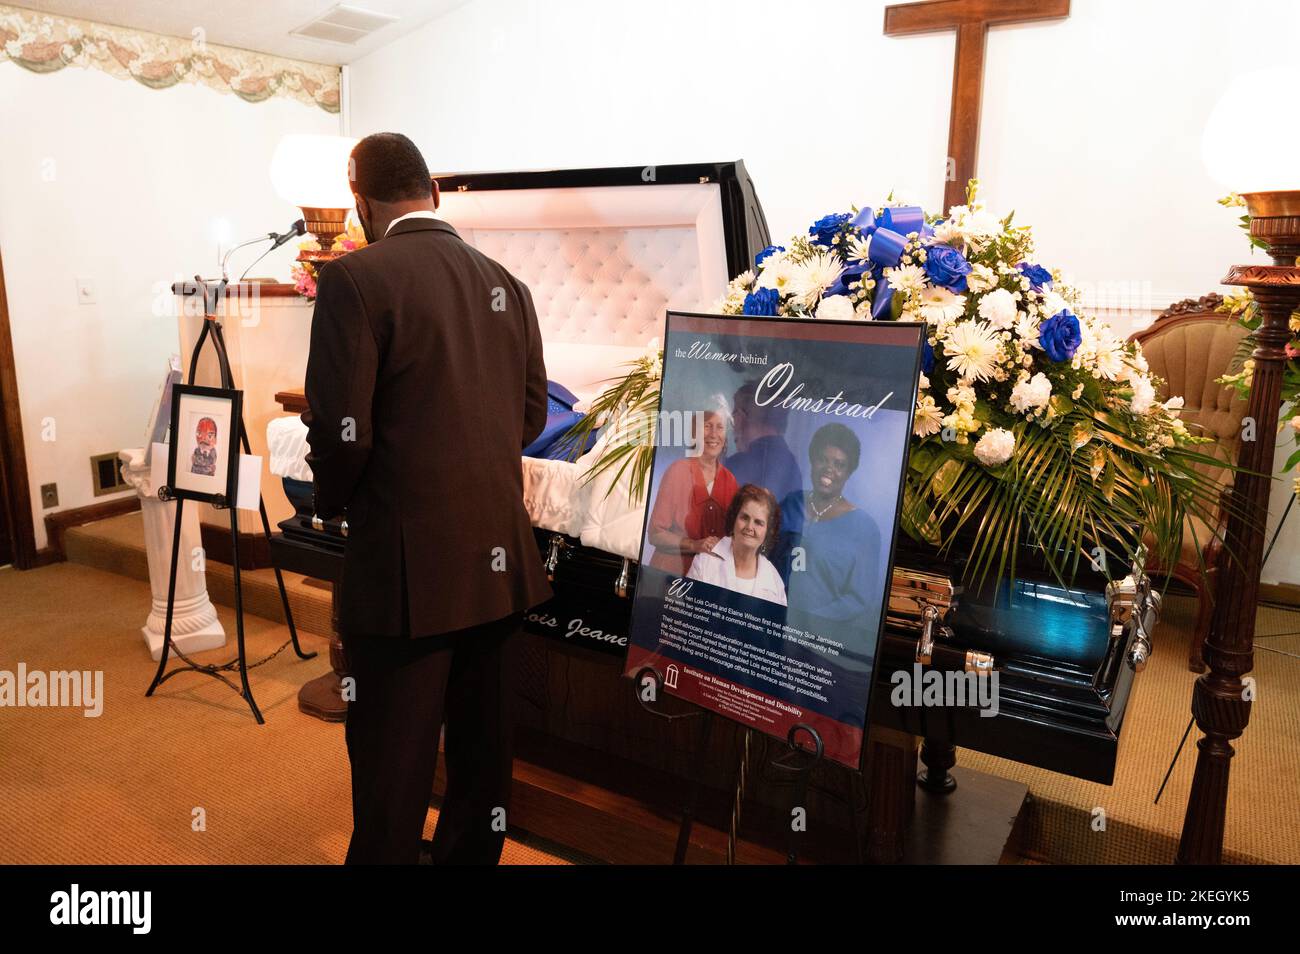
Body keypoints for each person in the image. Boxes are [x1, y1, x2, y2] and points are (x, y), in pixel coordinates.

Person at [303, 132, 551, 865]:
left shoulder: (355, 281)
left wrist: (332, 503)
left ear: (361, 202)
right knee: (482, 769)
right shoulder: (510, 283)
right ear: (434, 193)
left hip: (406, 571)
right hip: (501, 566)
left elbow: (342, 432)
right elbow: (532, 417)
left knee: (392, 765)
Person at [776, 423, 880, 632]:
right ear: (813, 460)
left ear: (849, 472)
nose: (829, 469)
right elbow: (766, 556)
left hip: (820, 639)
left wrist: (805, 622)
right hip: (772, 622)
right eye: (822, 459)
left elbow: (858, 599)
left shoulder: (865, 528)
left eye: (839, 464)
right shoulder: (791, 502)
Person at [645, 397, 738, 575]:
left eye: (720, 427)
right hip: (669, 576)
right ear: (694, 432)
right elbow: (655, 534)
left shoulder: (730, 481)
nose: (713, 434)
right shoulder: (677, 471)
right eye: (707, 425)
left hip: (707, 578)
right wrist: (694, 545)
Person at [687, 483, 786, 606]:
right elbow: (687, 616)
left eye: (758, 523)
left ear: (768, 531)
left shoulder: (774, 581)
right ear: (734, 519)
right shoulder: (704, 562)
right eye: (744, 518)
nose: (749, 527)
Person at [725, 381, 802, 505]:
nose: (732, 425)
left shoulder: (737, 467)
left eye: (733, 414)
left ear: (739, 417)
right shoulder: (791, 465)